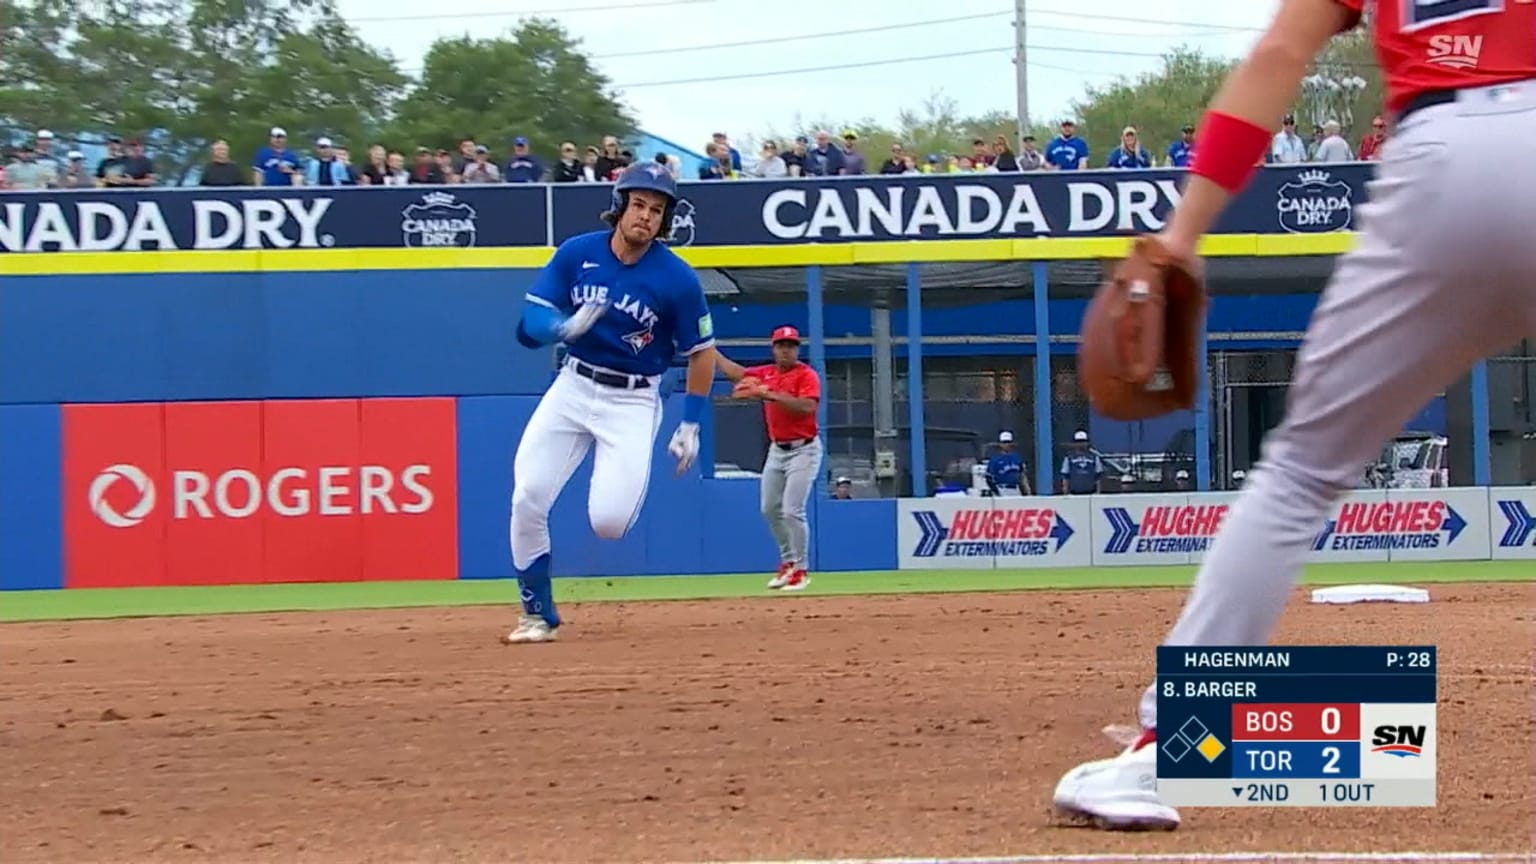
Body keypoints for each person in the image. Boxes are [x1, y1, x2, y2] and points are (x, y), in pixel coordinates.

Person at [1052, 0, 1536, 831]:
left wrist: (1180, 236)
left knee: (1301, 474)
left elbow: (1280, 53)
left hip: (1448, 156)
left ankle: (1162, 753)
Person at [503, 163, 718, 644]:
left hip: (633, 399)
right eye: (638, 204)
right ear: (620, 206)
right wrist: (560, 328)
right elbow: (528, 324)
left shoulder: (677, 278)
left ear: (665, 221)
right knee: (527, 496)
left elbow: (702, 353)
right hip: (574, 385)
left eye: (657, 210)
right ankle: (536, 613)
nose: (646, 216)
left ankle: (659, 399)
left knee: (609, 523)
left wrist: (691, 423)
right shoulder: (577, 253)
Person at [715, 326, 823, 592]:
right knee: (769, 508)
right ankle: (788, 563)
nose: (786, 350)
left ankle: (801, 570)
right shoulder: (766, 373)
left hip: (804, 449)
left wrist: (768, 394)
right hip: (777, 449)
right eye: (781, 345)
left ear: (797, 349)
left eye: (791, 345)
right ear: (773, 349)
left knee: (792, 510)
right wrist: (710, 350)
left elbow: (807, 407)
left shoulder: (806, 375)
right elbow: (736, 373)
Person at [1058, 430, 1102, 495]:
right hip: (1073, 494)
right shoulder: (1069, 458)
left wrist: (1098, 493)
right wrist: (1066, 493)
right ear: (1074, 443)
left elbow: (1098, 476)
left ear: (1087, 443)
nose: (1081, 444)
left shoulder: (1094, 458)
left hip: (1091, 494)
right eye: (1078, 441)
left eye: (1083, 441)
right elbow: (1065, 476)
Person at [985, 431, 1028, 496]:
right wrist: (996, 492)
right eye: (1004, 442)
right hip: (1002, 488)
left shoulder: (1017, 457)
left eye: (1008, 442)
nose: (1006, 444)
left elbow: (1022, 476)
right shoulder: (995, 459)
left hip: (1016, 489)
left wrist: (1027, 491)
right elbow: (989, 478)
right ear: (1000, 444)